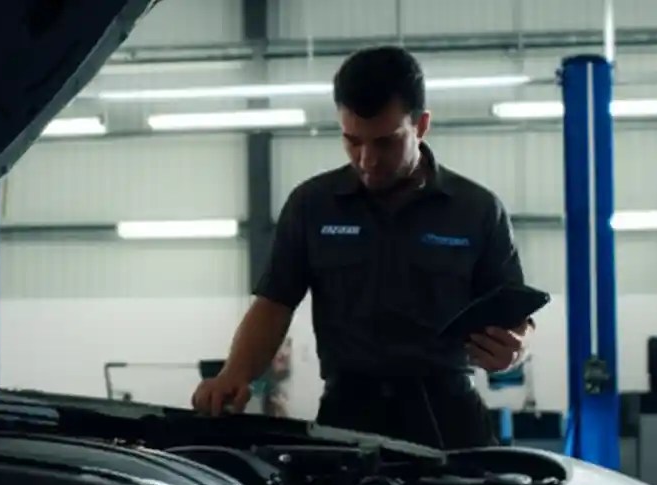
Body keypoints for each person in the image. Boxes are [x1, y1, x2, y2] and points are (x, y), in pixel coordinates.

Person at [190, 44, 534, 449]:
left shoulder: (477, 210)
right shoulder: (312, 205)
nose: (368, 160)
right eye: (352, 141)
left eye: (386, 142)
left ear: (421, 125)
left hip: (447, 415)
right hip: (349, 412)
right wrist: (235, 373)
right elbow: (274, 303)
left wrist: (516, 350)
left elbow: (515, 318)